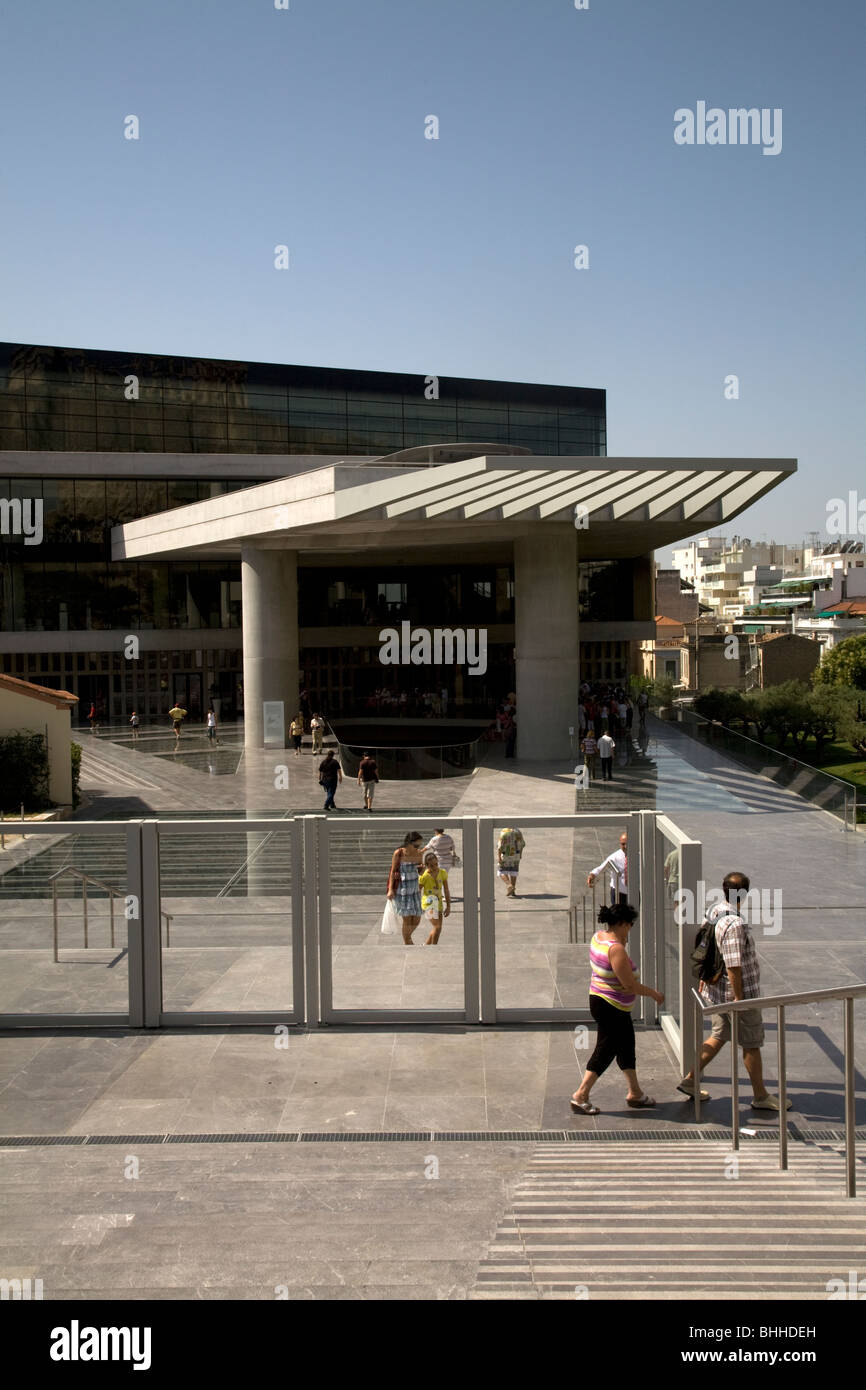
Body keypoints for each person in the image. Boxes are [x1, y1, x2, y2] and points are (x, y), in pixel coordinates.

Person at [678, 871, 792, 1111]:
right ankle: (760, 1096)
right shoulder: (735, 924)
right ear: (745, 893)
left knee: (719, 1035)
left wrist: (705, 979)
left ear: (724, 889)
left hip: (717, 991)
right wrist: (740, 1000)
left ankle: (690, 1080)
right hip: (736, 996)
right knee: (751, 1043)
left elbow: (706, 948)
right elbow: (733, 966)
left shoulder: (714, 911)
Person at [571, 902, 664, 1114]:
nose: (631, 928)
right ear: (621, 923)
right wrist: (654, 994)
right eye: (630, 924)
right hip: (611, 1006)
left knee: (626, 1047)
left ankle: (635, 1092)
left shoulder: (598, 937)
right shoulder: (616, 949)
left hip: (600, 998)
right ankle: (581, 1094)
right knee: (605, 1050)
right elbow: (629, 984)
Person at [387, 831, 425, 945]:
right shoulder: (398, 853)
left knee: (417, 919)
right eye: (416, 845)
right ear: (409, 843)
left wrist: (423, 868)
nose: (418, 848)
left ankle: (407, 939)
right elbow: (393, 872)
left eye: (419, 845)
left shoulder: (419, 854)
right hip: (403, 889)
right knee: (407, 920)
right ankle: (408, 942)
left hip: (414, 889)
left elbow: (420, 872)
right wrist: (390, 889)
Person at [419, 850, 451, 945]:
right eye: (431, 865)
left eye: (436, 864)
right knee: (437, 927)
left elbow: (446, 890)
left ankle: (426, 946)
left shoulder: (442, 873)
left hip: (439, 903)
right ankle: (433, 948)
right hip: (429, 903)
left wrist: (448, 906)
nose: (435, 867)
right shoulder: (424, 876)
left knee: (438, 928)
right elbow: (418, 890)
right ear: (426, 865)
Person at [587, 833, 628, 906]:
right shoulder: (614, 857)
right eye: (623, 844)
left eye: (627, 843)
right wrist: (592, 875)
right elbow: (600, 868)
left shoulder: (639, 855)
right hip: (619, 894)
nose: (625, 846)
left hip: (636, 892)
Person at [497, 826, 525, 898]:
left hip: (506, 855)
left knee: (501, 871)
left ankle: (509, 885)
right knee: (514, 872)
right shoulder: (518, 832)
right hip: (516, 855)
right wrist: (520, 854)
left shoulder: (504, 831)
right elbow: (522, 844)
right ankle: (513, 891)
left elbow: (500, 846)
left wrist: (499, 857)